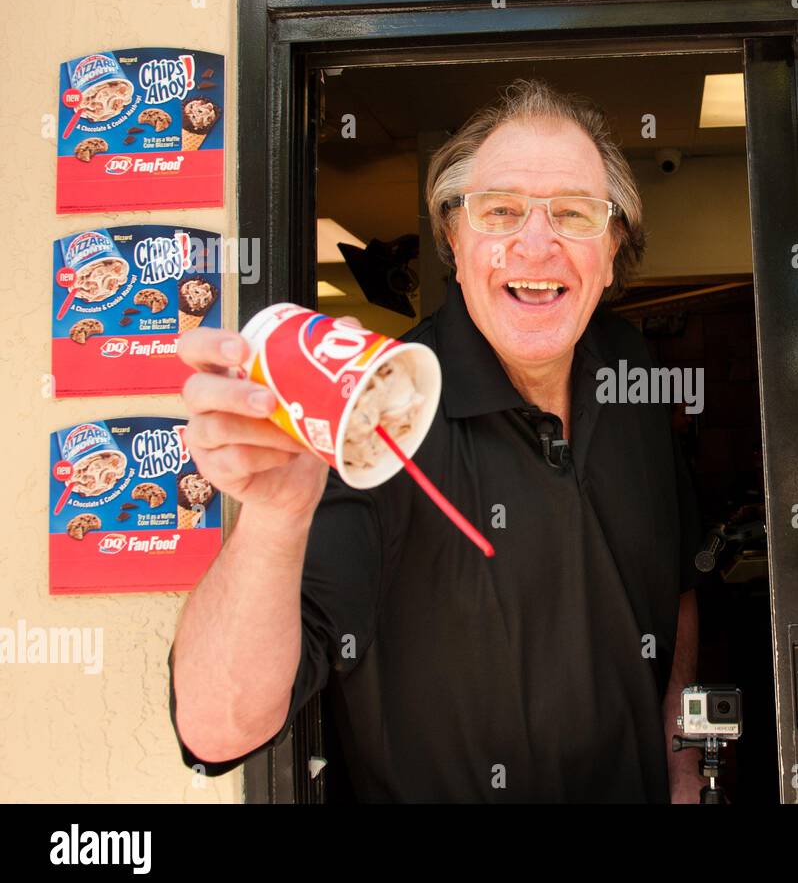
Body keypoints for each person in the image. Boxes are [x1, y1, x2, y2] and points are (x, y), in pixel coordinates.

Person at [168, 78, 705, 802]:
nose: (536, 243)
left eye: (575, 214)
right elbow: (215, 727)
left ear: (611, 252)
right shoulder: (375, 423)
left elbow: (675, 587)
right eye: (501, 211)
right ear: (455, 240)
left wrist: (680, 755)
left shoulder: (633, 371)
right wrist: (274, 514)